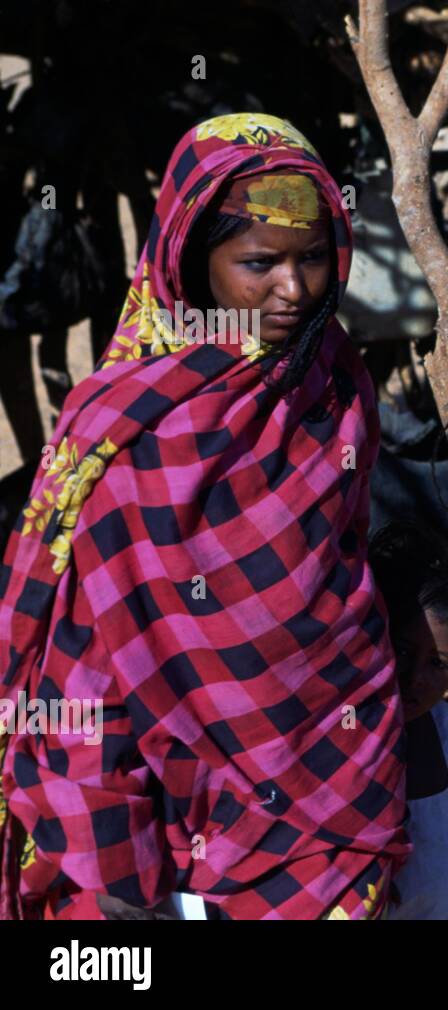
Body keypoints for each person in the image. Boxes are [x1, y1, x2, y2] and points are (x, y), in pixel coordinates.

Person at [0, 113, 407, 919]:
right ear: (190, 258)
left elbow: (341, 566)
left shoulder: (334, 382)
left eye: (315, 259)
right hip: (150, 788)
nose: (293, 290)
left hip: (331, 768)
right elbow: (83, 654)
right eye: (259, 263)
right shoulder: (125, 423)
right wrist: (118, 865)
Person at [367, 519, 448, 921]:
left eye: (438, 664)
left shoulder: (447, 729)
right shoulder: (352, 741)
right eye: (401, 650)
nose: (415, 677)